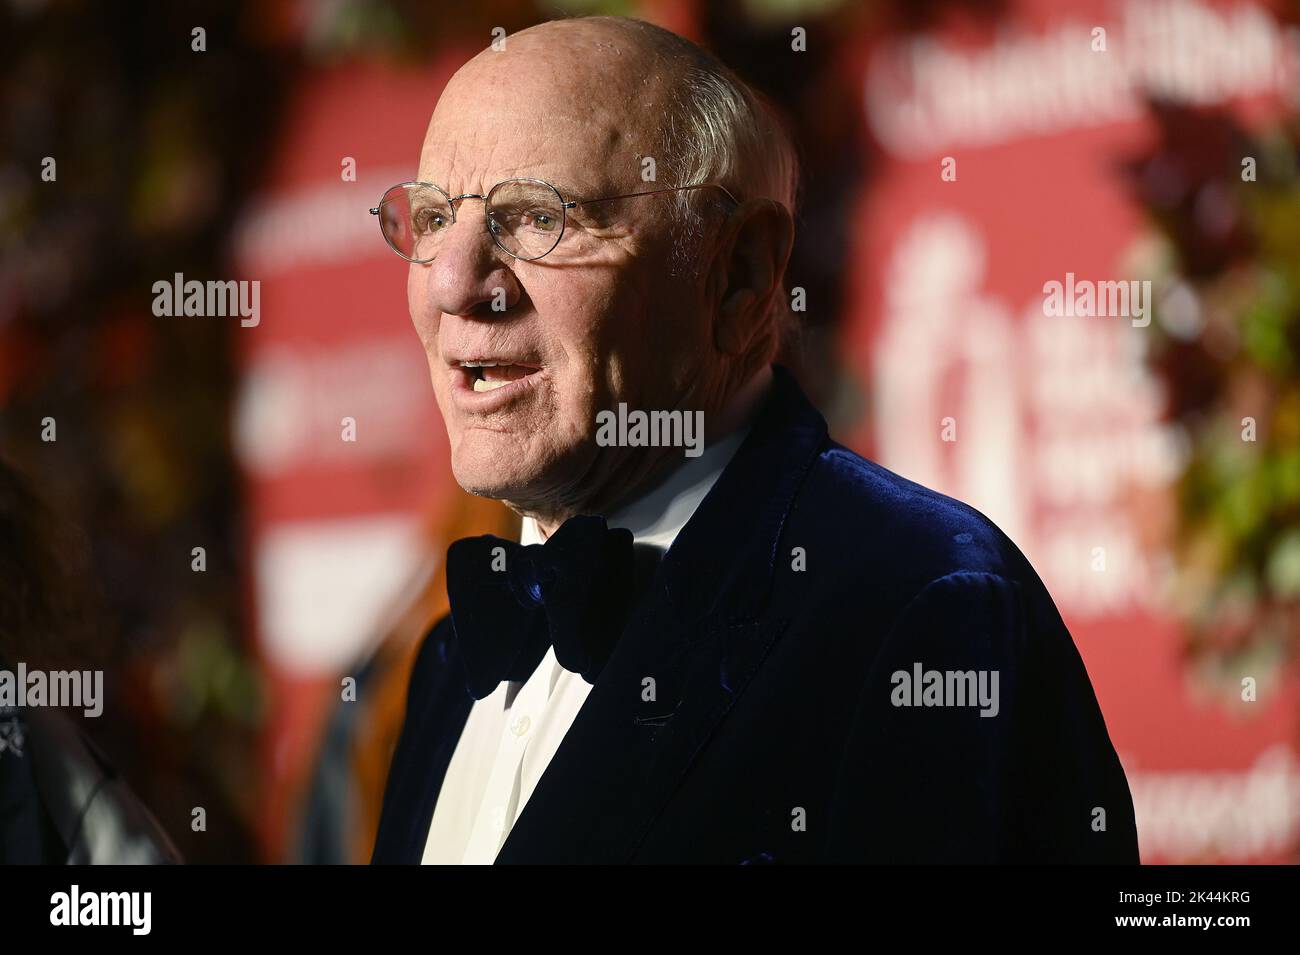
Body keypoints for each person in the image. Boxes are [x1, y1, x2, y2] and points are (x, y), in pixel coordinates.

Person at [370, 15, 1138, 864]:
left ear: (738, 276)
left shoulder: (923, 608)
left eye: (538, 217)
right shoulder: (448, 663)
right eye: (434, 218)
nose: (451, 284)